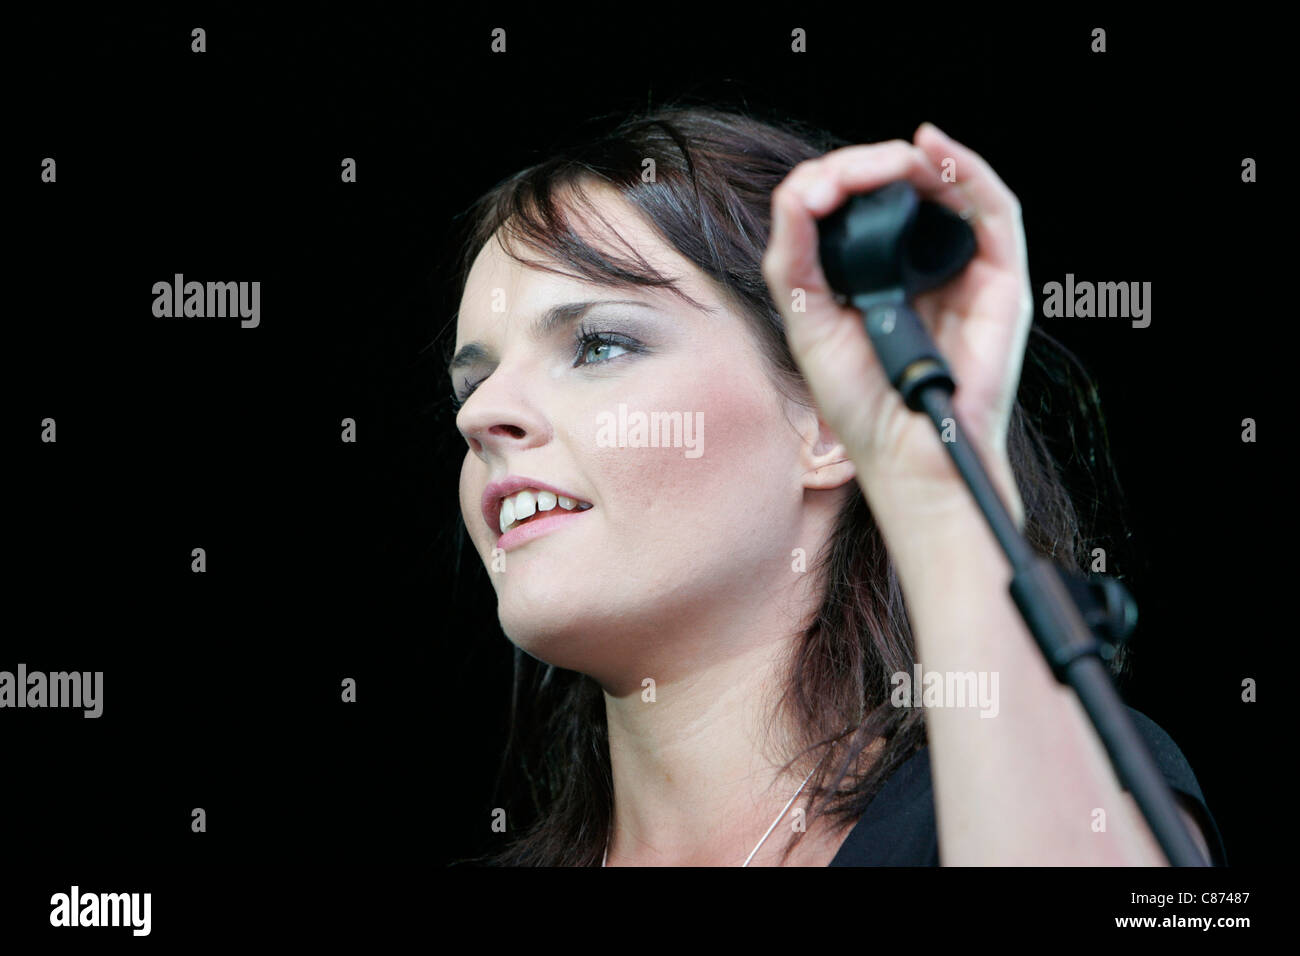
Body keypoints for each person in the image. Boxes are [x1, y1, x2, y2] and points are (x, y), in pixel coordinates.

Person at [444, 103, 1227, 866]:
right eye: (469, 384)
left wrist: (933, 481)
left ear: (825, 421)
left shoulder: (1056, 788)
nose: (482, 415)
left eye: (599, 345)